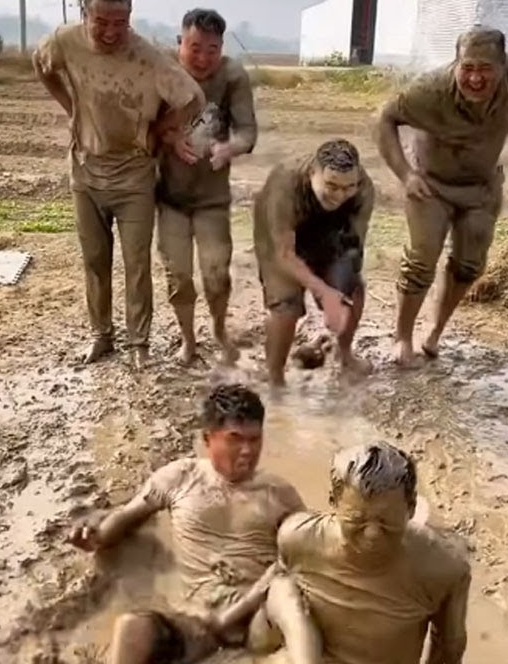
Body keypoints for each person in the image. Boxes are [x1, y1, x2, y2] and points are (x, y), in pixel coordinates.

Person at [66, 384, 305, 663]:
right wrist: (98, 536)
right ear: (207, 439)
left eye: (255, 440)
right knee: (133, 628)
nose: (247, 451)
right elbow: (128, 515)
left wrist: (235, 615)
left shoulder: (279, 494)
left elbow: (306, 554)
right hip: (193, 623)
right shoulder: (181, 477)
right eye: (235, 439)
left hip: (253, 622)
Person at [32, 0, 204, 365]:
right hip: (85, 171)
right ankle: (101, 336)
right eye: (101, 22)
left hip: (134, 176)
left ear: (130, 18)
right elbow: (41, 64)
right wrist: (70, 107)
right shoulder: (64, 41)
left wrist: (160, 130)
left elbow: (193, 98)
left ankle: (138, 344)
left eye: (120, 23)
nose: (111, 32)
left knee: (136, 264)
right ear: (85, 16)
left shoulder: (148, 57)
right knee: (95, 260)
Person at [375, 27, 508, 367]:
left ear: (503, 65)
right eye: (467, 67)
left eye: (485, 68)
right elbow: (384, 119)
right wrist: (406, 175)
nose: (475, 78)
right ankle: (402, 337)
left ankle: (434, 331)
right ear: (456, 63)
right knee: (421, 260)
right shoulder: (429, 90)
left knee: (470, 264)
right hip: (431, 185)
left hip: (482, 188)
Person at [270, 442, 469, 663]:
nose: (372, 533)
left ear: (412, 507)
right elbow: (276, 607)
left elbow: (450, 649)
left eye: (386, 520)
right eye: (357, 519)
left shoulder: (442, 568)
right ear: (333, 502)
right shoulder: (298, 539)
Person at [156, 8, 257, 366]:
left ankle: (218, 329)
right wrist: (170, 138)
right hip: (170, 196)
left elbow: (247, 131)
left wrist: (230, 147)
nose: (203, 58)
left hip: (212, 197)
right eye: (195, 48)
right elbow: (142, 124)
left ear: (222, 47)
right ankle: (188, 339)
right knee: (178, 274)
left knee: (216, 272)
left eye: (212, 49)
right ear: (180, 42)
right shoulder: (162, 70)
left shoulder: (232, 76)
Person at [253, 139, 374, 386]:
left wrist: (340, 294)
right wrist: (324, 293)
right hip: (281, 236)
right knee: (286, 305)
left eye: (348, 187)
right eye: (331, 185)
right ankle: (275, 375)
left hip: (330, 232)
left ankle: (345, 354)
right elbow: (284, 255)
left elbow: (353, 246)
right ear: (312, 174)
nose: (340, 195)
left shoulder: (363, 188)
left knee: (353, 291)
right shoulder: (285, 185)